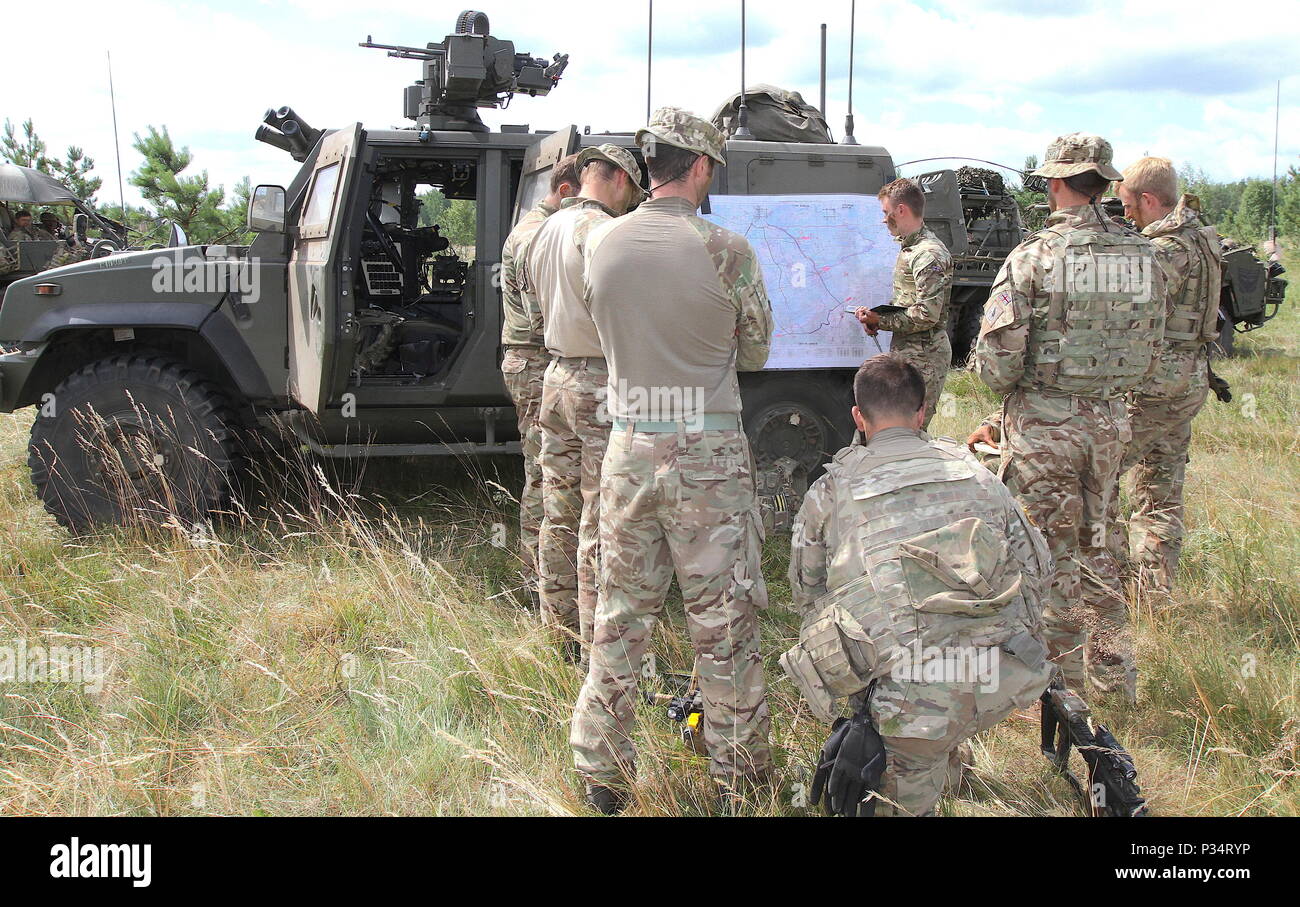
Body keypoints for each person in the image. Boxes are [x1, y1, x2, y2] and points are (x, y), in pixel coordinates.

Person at [569, 107, 773, 814]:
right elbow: (755, 350)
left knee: (621, 617)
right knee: (724, 620)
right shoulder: (727, 250)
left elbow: (600, 325)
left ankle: (602, 775)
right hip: (706, 448)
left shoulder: (600, 245)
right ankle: (739, 777)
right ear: (700, 167)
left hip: (628, 444)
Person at [785, 354, 1052, 816]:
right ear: (922, 412)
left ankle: (922, 765)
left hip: (911, 700)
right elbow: (1038, 571)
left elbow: (807, 594)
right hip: (1004, 676)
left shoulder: (831, 491)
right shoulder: (975, 472)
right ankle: (945, 755)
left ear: (858, 418)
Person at [971, 134, 1166, 702]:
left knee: (1046, 557)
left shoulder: (1035, 258)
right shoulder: (1144, 258)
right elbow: (1152, 352)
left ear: (1056, 184)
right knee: (1099, 549)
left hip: (1046, 432)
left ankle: (1060, 695)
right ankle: (1115, 676)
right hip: (1109, 424)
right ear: (1104, 186)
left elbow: (997, 364)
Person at [526, 144, 644, 656]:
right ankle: (599, 644)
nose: (631, 204)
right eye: (633, 192)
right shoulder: (604, 233)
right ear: (618, 179)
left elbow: (532, 317)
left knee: (559, 510)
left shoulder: (542, 230)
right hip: (600, 382)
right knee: (601, 518)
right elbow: (627, 315)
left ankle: (558, 629)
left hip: (556, 374)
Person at [1108, 158, 1222, 595]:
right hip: (1189, 378)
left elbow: (1126, 311)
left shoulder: (1165, 250)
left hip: (1156, 385)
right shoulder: (1202, 237)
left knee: (1098, 476)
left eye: (1129, 205)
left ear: (1149, 200)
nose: (1126, 214)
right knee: (1160, 491)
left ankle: (1111, 579)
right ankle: (1153, 593)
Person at [500, 153, 579, 606]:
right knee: (544, 471)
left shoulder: (536, 229)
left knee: (544, 467)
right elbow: (541, 316)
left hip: (530, 360)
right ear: (566, 192)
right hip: (534, 360)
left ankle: (542, 569)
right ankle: (539, 574)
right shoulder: (536, 236)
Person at [855, 178, 953, 428]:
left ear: (901, 210)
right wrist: (877, 319)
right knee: (897, 429)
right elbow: (908, 302)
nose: (884, 219)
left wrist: (882, 320)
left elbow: (926, 314)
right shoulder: (911, 249)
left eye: (886, 213)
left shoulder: (927, 254)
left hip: (925, 356)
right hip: (910, 352)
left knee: (912, 431)